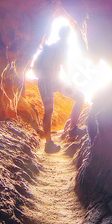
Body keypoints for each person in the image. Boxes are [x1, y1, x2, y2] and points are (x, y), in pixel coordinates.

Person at [32, 25, 85, 153]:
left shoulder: (55, 46)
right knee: (50, 110)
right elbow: (65, 66)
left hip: (52, 81)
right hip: (47, 81)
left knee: (79, 97)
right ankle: (49, 143)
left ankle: (71, 130)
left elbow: (63, 65)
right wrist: (72, 81)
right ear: (65, 35)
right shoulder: (60, 47)